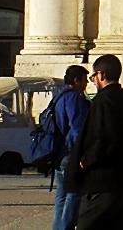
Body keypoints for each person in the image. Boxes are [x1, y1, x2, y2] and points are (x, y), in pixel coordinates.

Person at [66, 54, 123, 230]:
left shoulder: (101, 102)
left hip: (102, 183)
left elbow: (99, 140)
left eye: (93, 77)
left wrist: (85, 162)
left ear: (101, 75)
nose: (93, 81)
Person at [48, 65, 92, 230]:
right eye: (84, 80)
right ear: (76, 80)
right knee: (74, 192)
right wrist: (80, 154)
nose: (86, 83)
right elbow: (76, 128)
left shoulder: (59, 96)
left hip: (58, 152)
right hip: (69, 152)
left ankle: (58, 227)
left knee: (61, 194)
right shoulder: (74, 98)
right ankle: (65, 227)